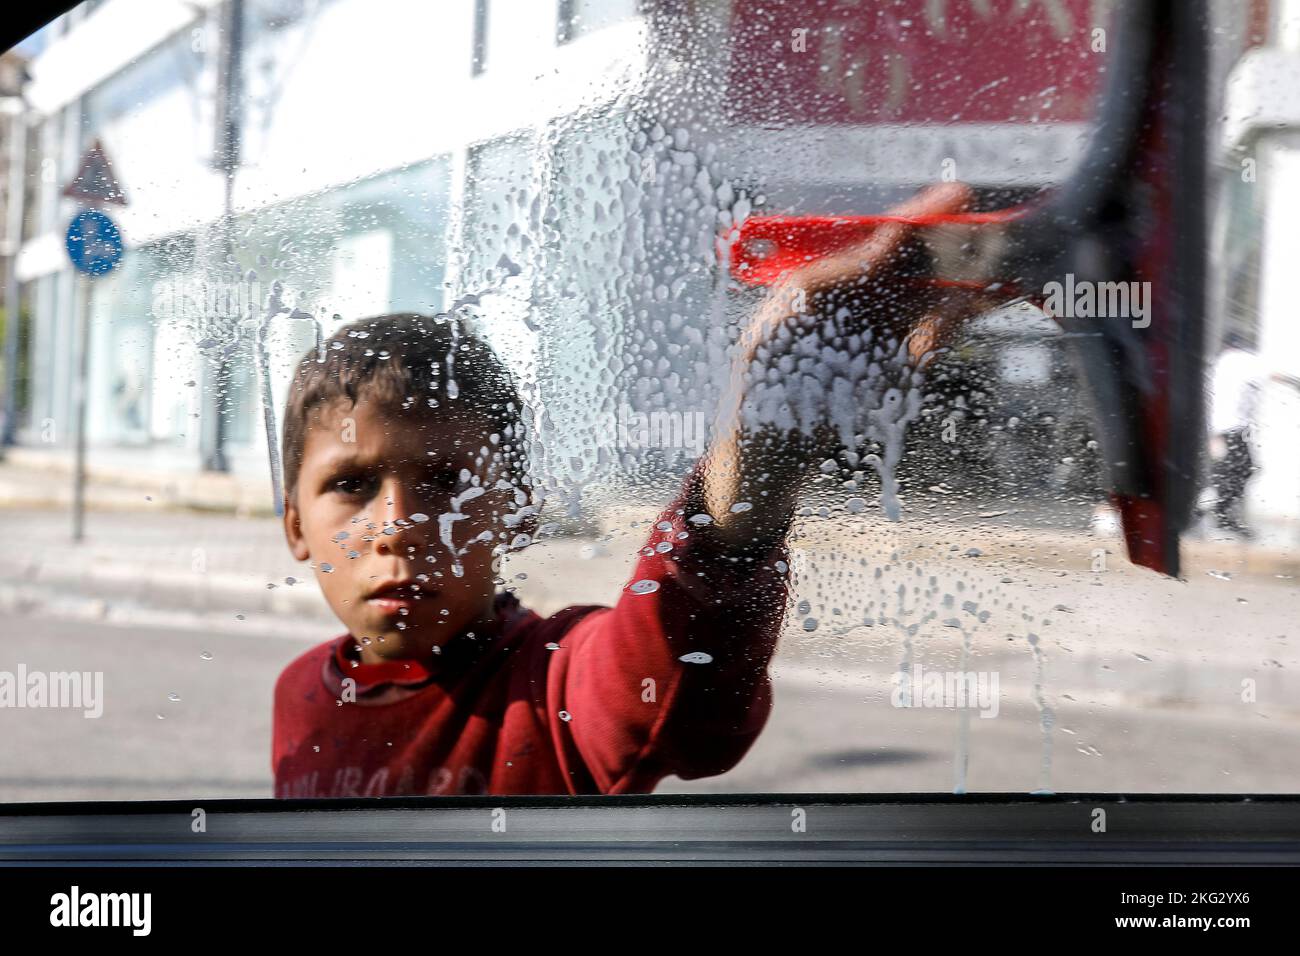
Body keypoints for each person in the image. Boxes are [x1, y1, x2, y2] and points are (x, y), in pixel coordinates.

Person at [271, 183, 989, 797]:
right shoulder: (300, 697)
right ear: (295, 524)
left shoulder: (551, 685)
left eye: (445, 482)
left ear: (518, 510)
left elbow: (672, 679)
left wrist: (759, 453)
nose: (397, 525)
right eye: (352, 484)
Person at [1206, 332, 1264, 538]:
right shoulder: (1238, 361)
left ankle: (1217, 512)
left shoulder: (1220, 363)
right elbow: (1268, 372)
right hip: (1230, 428)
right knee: (1241, 469)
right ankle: (1218, 514)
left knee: (1234, 470)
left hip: (1222, 428)